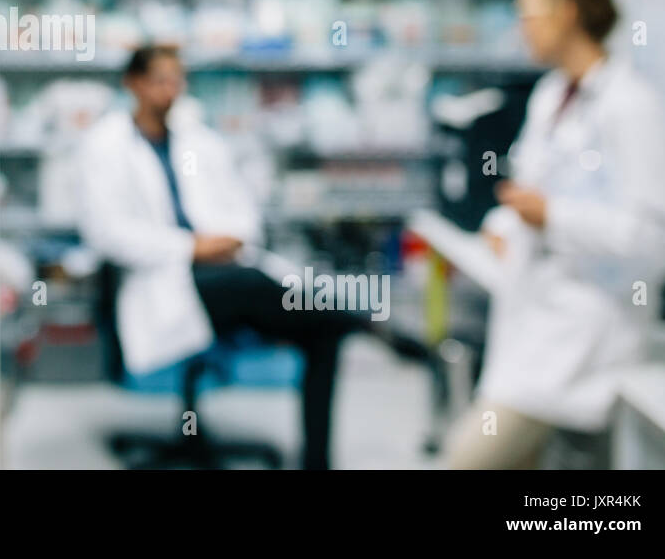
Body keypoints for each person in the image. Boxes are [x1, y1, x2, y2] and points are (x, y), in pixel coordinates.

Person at [77, 44, 430, 470]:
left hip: (225, 274)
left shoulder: (199, 142)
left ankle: (317, 460)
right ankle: (367, 323)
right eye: (159, 80)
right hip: (161, 279)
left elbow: (243, 212)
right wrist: (192, 247)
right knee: (261, 287)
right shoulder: (106, 145)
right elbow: (107, 233)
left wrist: (225, 239)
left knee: (320, 330)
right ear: (132, 84)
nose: (170, 90)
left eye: (177, 79)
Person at [444, 0, 665, 468]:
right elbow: (535, 190)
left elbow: (663, 238)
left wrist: (554, 218)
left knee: (469, 461)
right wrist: (504, 224)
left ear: (569, 13)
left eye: (529, 14)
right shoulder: (552, 96)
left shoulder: (632, 107)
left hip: (588, 328)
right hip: (535, 319)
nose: (522, 28)